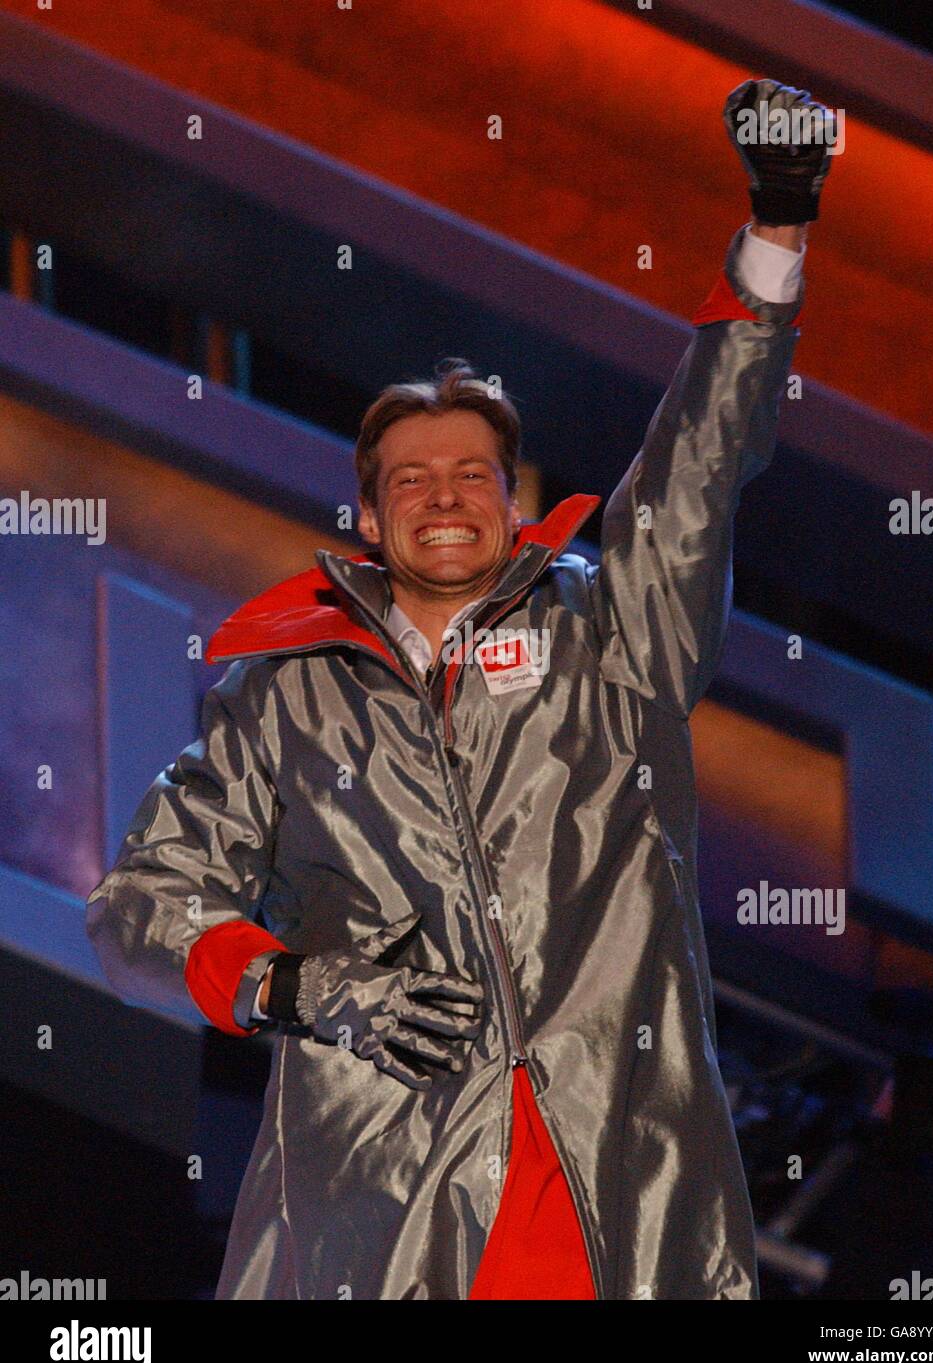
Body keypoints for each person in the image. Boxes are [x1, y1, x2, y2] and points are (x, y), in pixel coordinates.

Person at [86, 78, 834, 1300]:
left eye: (473, 473)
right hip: (383, 1199)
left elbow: (701, 458)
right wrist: (306, 988)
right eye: (412, 478)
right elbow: (142, 903)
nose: (445, 495)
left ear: (515, 501)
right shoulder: (285, 693)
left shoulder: (612, 634)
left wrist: (779, 226)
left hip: (615, 1178)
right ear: (367, 517)